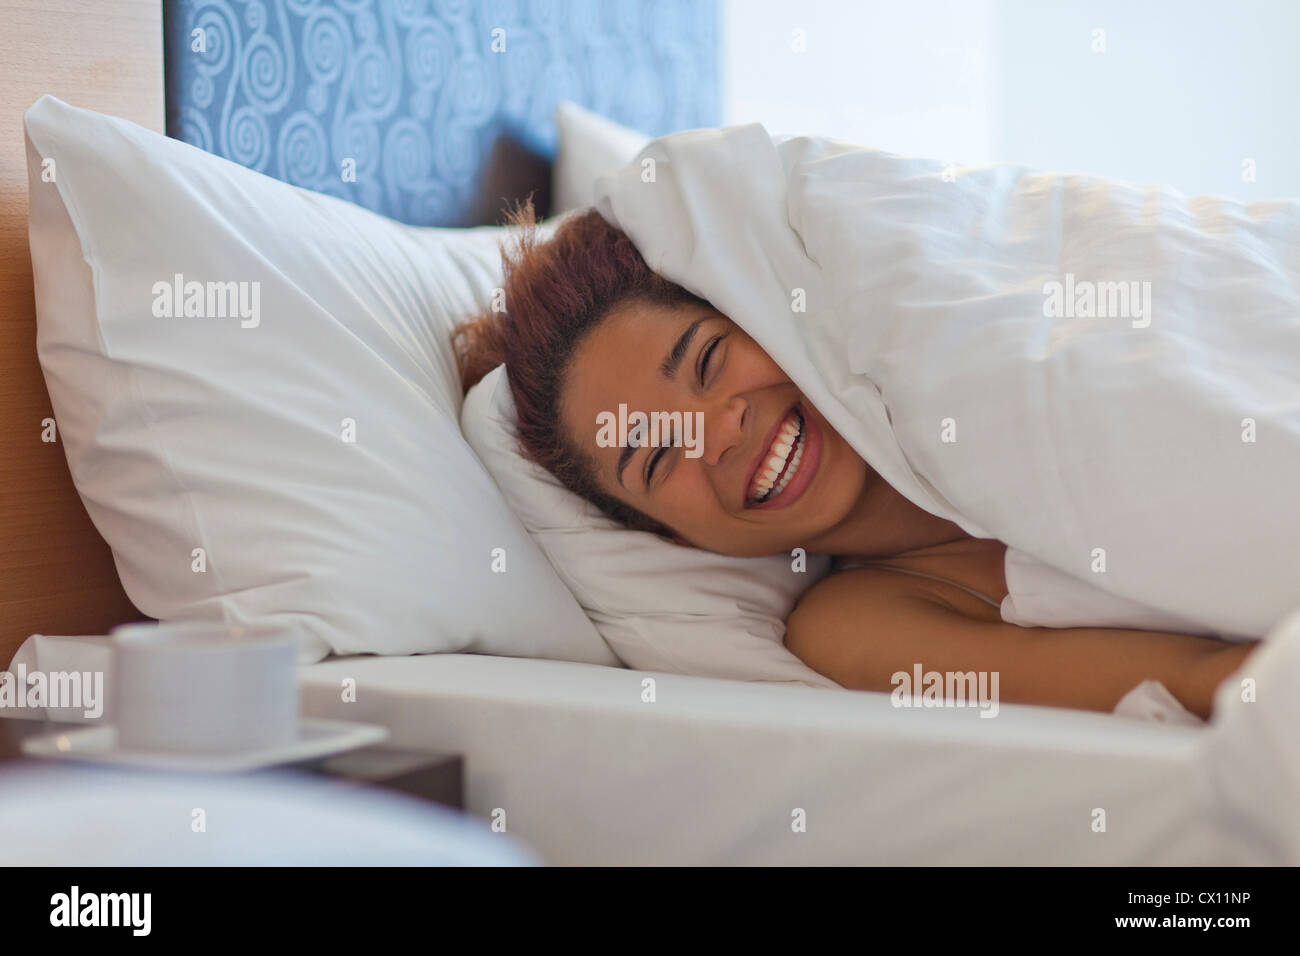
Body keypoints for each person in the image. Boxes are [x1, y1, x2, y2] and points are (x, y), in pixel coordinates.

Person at [454, 201, 1255, 719]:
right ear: (670, 538)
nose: (720, 433)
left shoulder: (994, 353)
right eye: (659, 459)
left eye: (706, 361)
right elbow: (1203, 680)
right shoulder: (854, 628)